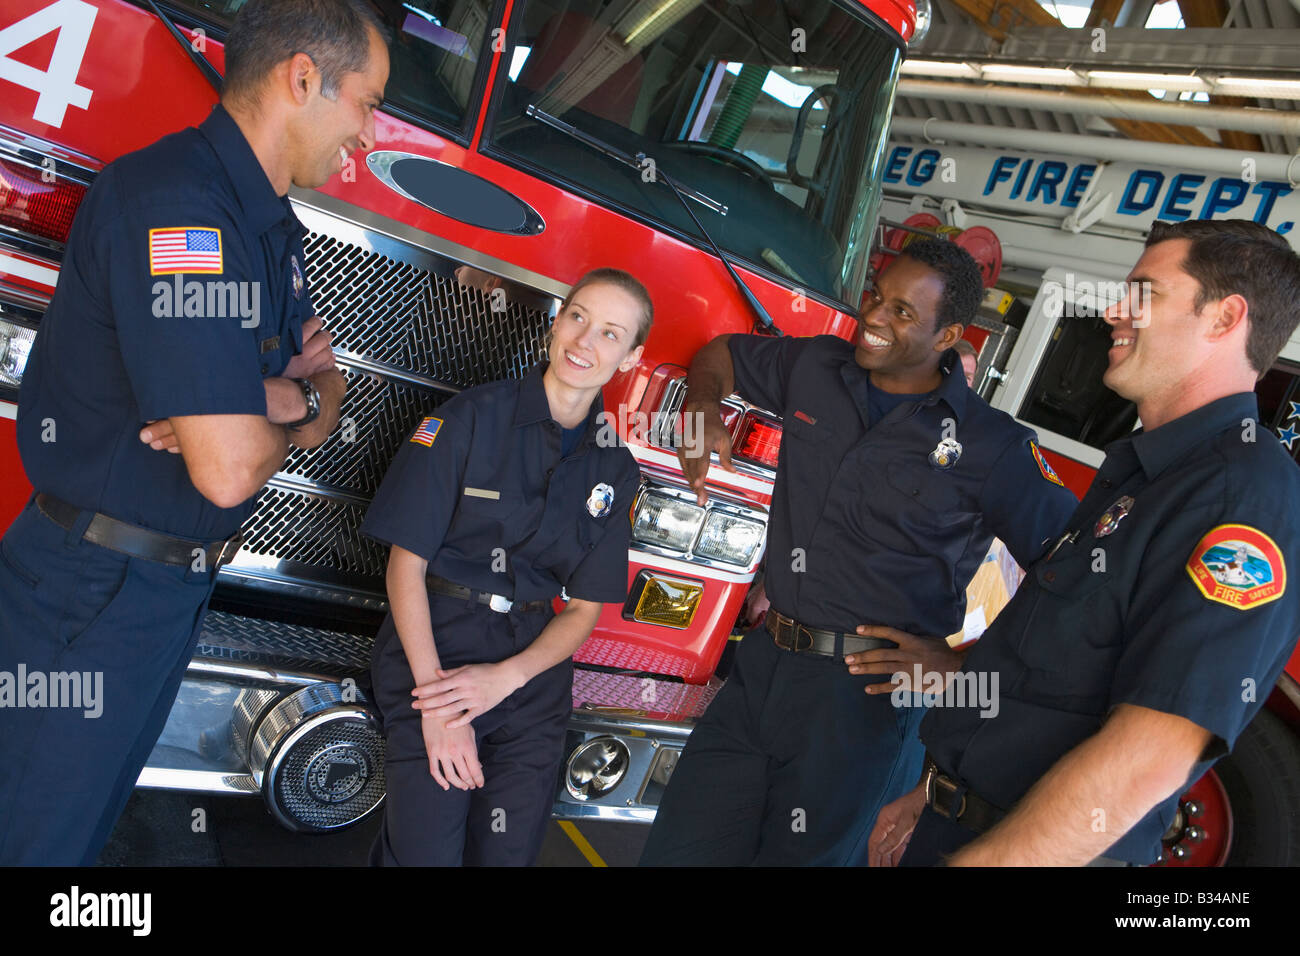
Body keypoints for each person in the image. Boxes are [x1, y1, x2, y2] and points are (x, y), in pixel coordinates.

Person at [0, 0, 389, 865]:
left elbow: (327, 396)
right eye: (367, 102)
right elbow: (227, 468)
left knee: (78, 837)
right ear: (300, 78)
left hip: (159, 595)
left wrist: (280, 401)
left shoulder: (269, 232)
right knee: (32, 840)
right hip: (93, 595)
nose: (370, 132)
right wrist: (281, 402)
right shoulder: (182, 213)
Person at [868, 219, 1300, 867]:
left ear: (1224, 317)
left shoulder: (1242, 497)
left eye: (1144, 294)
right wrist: (935, 793)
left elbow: (1153, 750)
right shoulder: (1144, 473)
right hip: (963, 823)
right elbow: (1068, 673)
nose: (1114, 311)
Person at [638, 240, 1079, 865]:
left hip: (863, 705)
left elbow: (1076, 579)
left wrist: (965, 668)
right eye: (875, 296)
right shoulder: (817, 366)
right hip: (760, 672)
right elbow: (721, 356)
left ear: (947, 334)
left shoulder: (994, 447)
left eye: (902, 311)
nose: (872, 317)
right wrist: (701, 410)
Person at [361, 268, 650, 866]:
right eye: (577, 317)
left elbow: (584, 609)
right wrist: (441, 710)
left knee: (505, 856)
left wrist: (510, 678)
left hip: (532, 676)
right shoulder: (468, 419)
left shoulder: (615, 468)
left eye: (610, 334)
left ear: (629, 358)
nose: (585, 342)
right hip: (437, 651)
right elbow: (405, 567)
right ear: (556, 320)